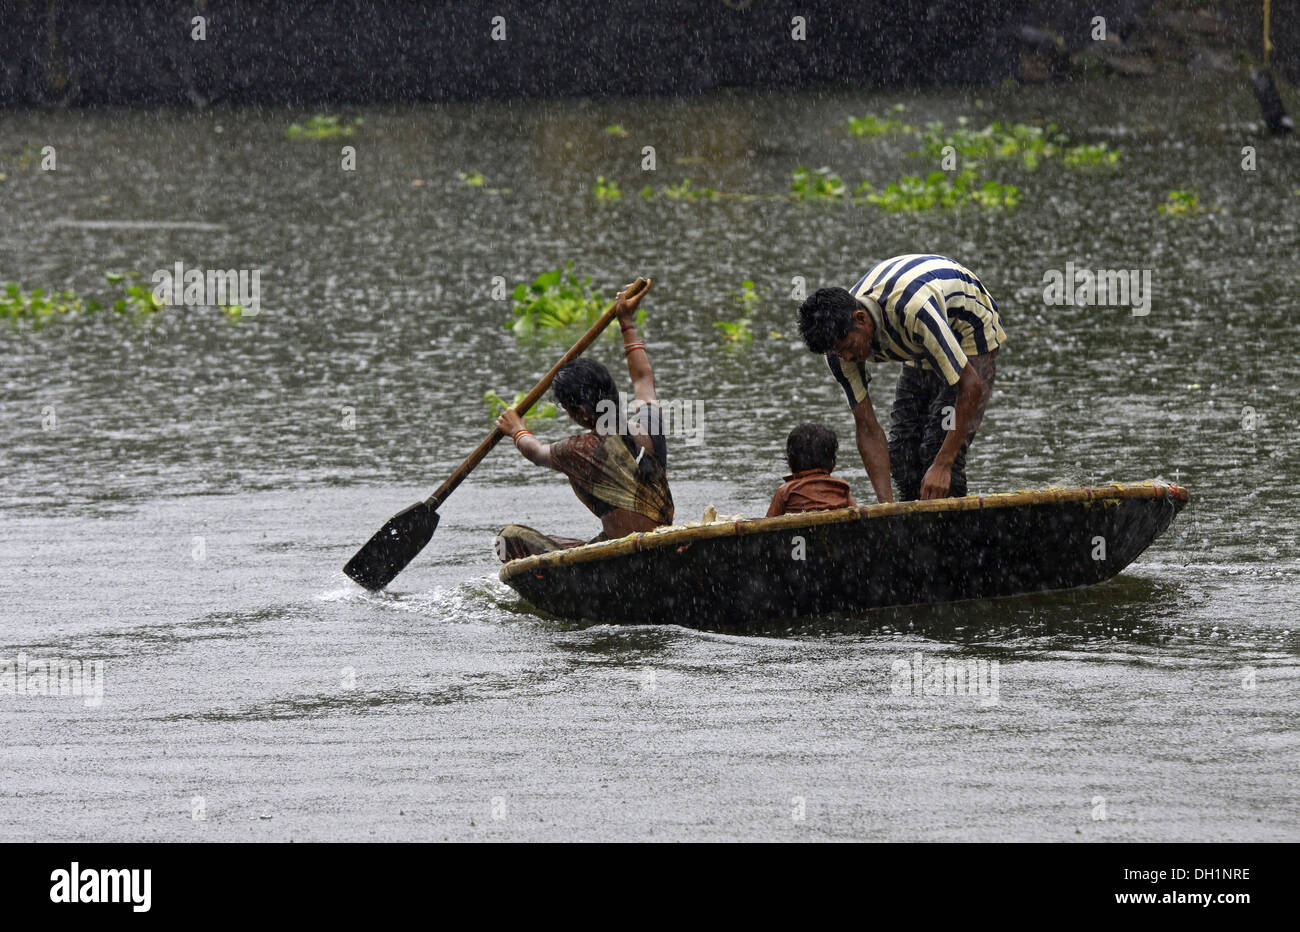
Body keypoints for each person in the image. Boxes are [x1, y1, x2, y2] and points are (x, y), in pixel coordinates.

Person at [797, 254, 1005, 503]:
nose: (848, 357)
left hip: (967, 326)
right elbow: (867, 426)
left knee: (937, 448)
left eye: (849, 347)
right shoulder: (838, 352)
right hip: (919, 340)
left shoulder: (913, 311)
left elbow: (971, 386)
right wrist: (886, 508)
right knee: (903, 454)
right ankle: (914, 529)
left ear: (861, 319)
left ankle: (954, 532)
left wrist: (943, 464)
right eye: (838, 353)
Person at [493, 280, 673, 561]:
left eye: (567, 408)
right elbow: (643, 379)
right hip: (665, 549)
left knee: (509, 539)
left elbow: (536, 453)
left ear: (580, 412)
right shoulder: (649, 427)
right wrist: (627, 322)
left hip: (623, 561)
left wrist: (517, 429)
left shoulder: (582, 449)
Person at [766, 423, 857, 517]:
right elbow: (857, 517)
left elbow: (767, 526)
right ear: (833, 463)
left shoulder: (785, 492)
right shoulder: (841, 487)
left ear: (790, 463)